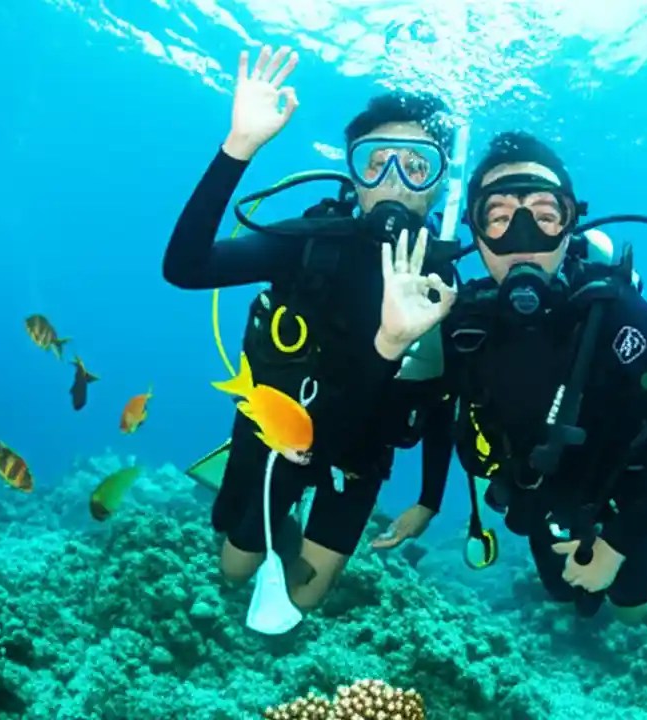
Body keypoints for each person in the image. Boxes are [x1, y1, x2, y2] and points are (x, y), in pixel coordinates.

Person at [162, 44, 458, 617]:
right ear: (354, 173)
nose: (394, 181)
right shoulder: (310, 243)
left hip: (358, 456)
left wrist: (428, 500)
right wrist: (238, 148)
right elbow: (184, 268)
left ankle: (286, 525)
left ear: (438, 183)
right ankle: (256, 507)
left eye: (417, 165)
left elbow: (444, 398)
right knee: (232, 570)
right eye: (377, 162)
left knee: (300, 603)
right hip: (277, 435)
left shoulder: (444, 286)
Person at [432, 130, 647, 624]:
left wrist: (616, 543)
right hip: (543, 491)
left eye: (544, 216)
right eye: (497, 217)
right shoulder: (461, 321)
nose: (522, 239)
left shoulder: (615, 310)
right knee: (566, 598)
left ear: (570, 224)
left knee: (631, 606)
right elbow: (431, 417)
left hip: (626, 488)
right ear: (474, 233)